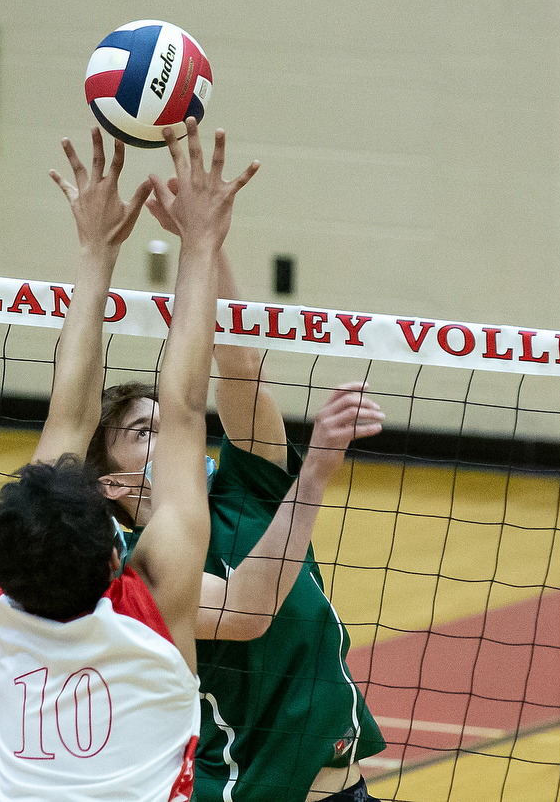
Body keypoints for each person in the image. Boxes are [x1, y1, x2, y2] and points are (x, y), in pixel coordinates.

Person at [0, 119, 260, 802]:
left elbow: (81, 418)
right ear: (114, 559)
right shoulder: (151, 605)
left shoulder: (4, 613)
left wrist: (97, 250)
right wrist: (197, 243)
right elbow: (183, 406)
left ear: (1, 573)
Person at [86, 211, 387, 797]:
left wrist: (203, 239)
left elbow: (242, 367)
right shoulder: (130, 569)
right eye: (143, 432)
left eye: (169, 422)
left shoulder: (243, 487)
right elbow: (248, 612)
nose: (170, 435)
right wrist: (316, 471)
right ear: (113, 487)